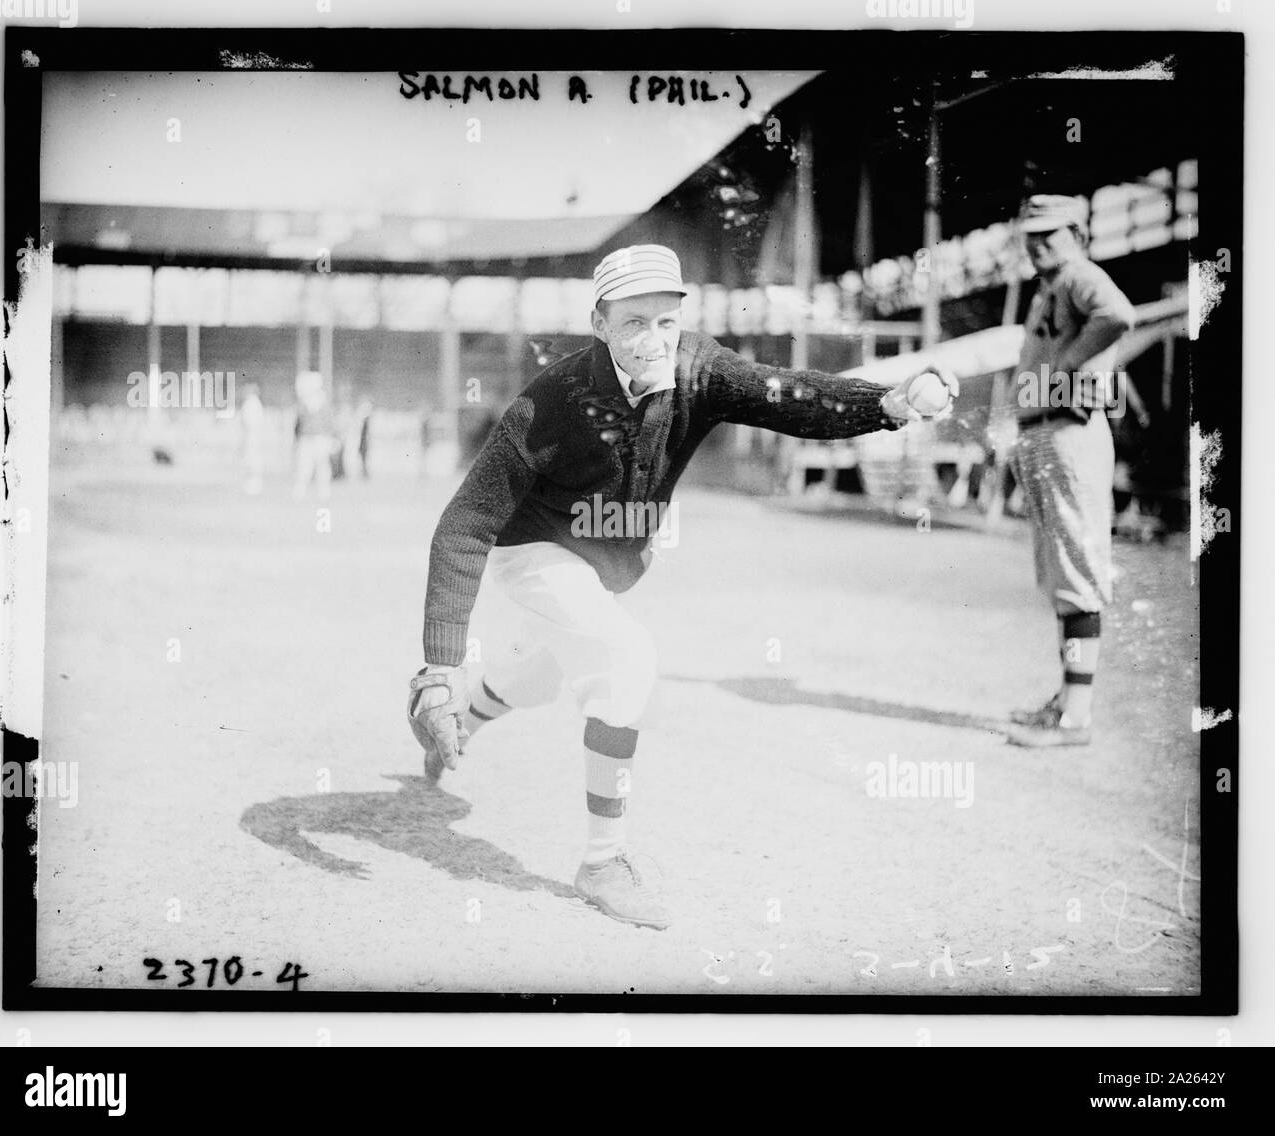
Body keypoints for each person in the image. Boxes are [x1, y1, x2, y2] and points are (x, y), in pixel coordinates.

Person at [409, 244, 957, 928]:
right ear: (600, 323)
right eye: (634, 322)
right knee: (626, 659)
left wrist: (890, 404)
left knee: (539, 677)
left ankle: (460, 722)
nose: (654, 340)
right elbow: (463, 528)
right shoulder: (547, 405)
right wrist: (438, 665)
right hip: (535, 551)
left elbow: (785, 395)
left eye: (666, 321)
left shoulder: (700, 367)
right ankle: (602, 862)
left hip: (607, 563)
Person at [1005, 196, 1136, 747]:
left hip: (1071, 429)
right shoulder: (1052, 285)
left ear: (1078, 233)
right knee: (1061, 575)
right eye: (1030, 234)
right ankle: (1067, 701)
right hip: (1046, 431)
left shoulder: (1081, 275)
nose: (1037, 243)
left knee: (1077, 574)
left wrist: (1068, 361)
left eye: (1049, 233)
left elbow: (1120, 315)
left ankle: (1075, 718)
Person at [292, 370, 334, 502]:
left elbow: (326, 422)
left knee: (321, 466)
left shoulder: (318, 400)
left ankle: (322, 492)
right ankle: (301, 492)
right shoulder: (307, 401)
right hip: (310, 438)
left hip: (318, 438)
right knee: (306, 466)